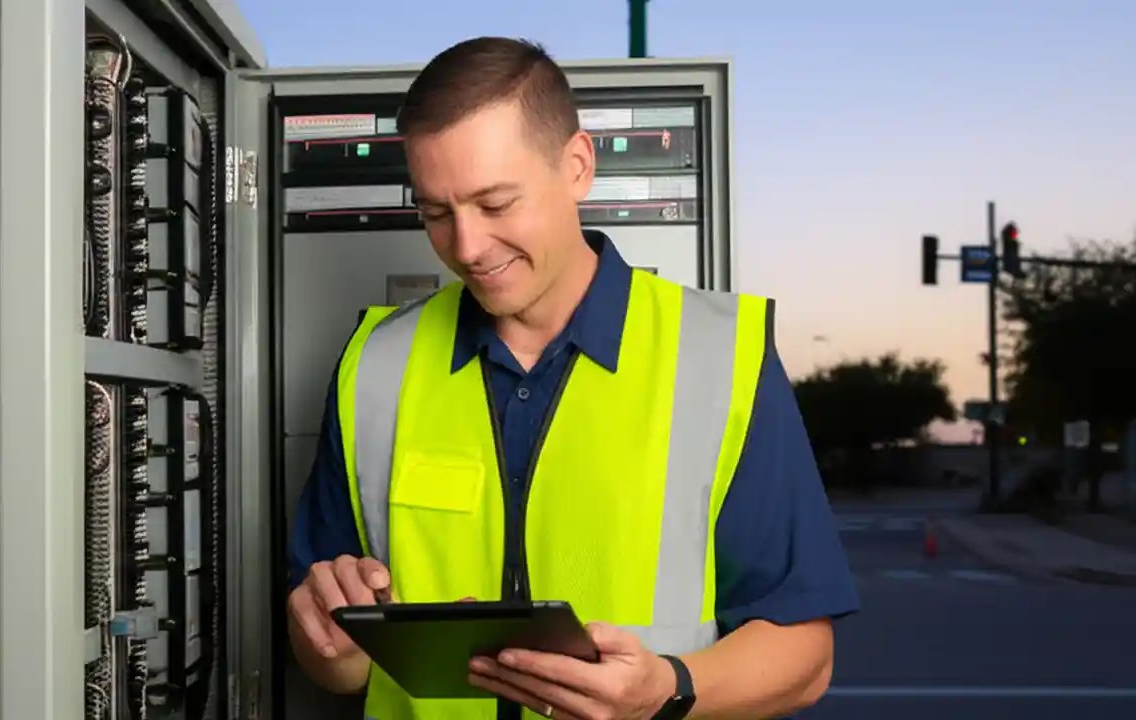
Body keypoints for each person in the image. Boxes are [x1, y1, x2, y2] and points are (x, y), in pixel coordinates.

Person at [286, 36, 860, 720]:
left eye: (496, 205)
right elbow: (338, 664)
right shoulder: (373, 363)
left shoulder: (721, 356)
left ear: (578, 167)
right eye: (437, 213)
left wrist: (666, 688)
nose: (466, 248)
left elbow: (804, 656)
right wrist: (326, 637)